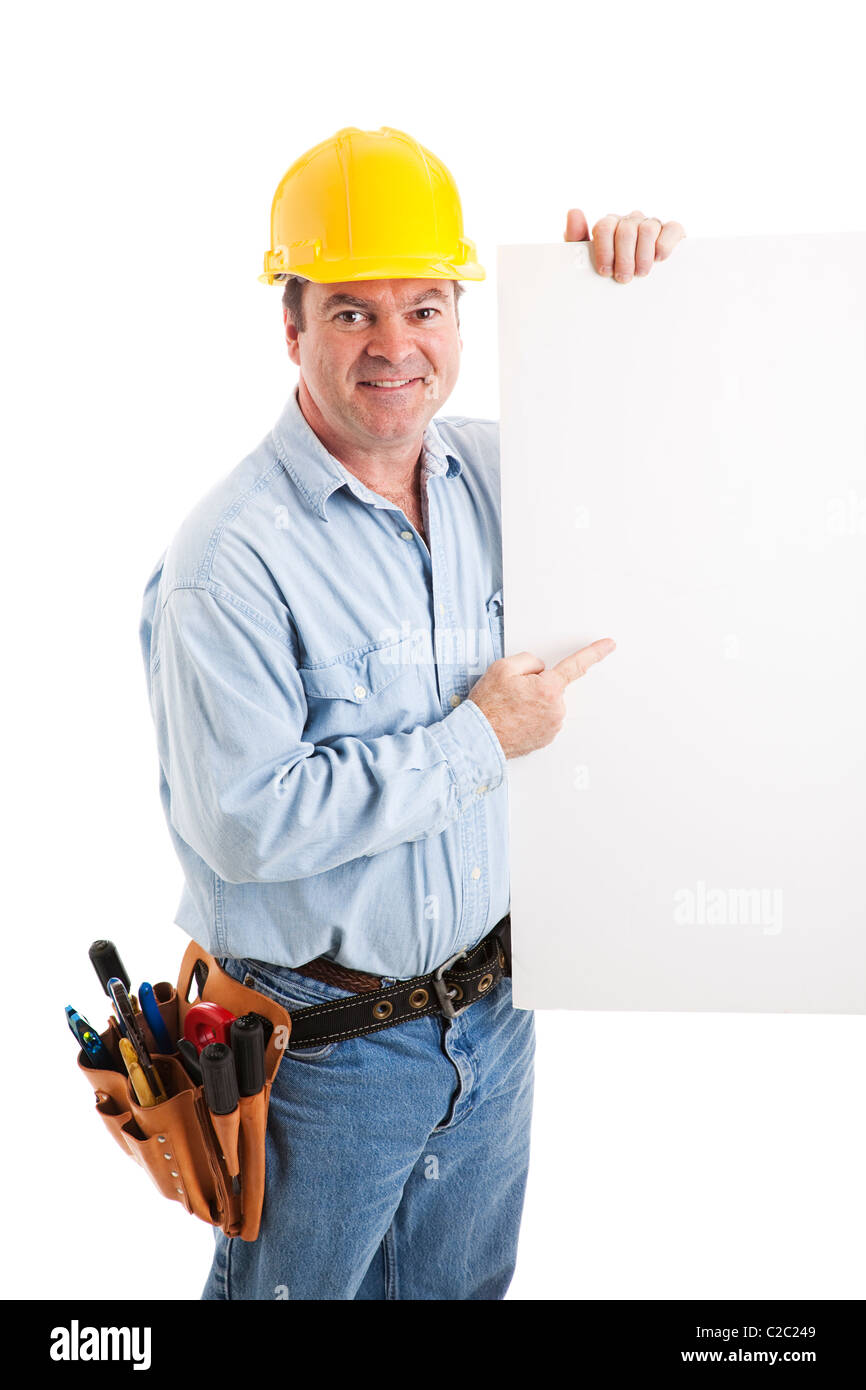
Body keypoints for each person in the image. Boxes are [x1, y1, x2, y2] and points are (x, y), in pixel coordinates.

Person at [139, 125, 685, 1300]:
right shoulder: (228, 561)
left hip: (492, 1024)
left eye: (425, 307)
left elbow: (665, 477)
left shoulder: (500, 476)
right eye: (351, 312)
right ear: (291, 329)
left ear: (457, 319)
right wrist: (476, 737)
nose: (396, 346)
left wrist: (623, 311)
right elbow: (244, 819)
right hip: (323, 1061)